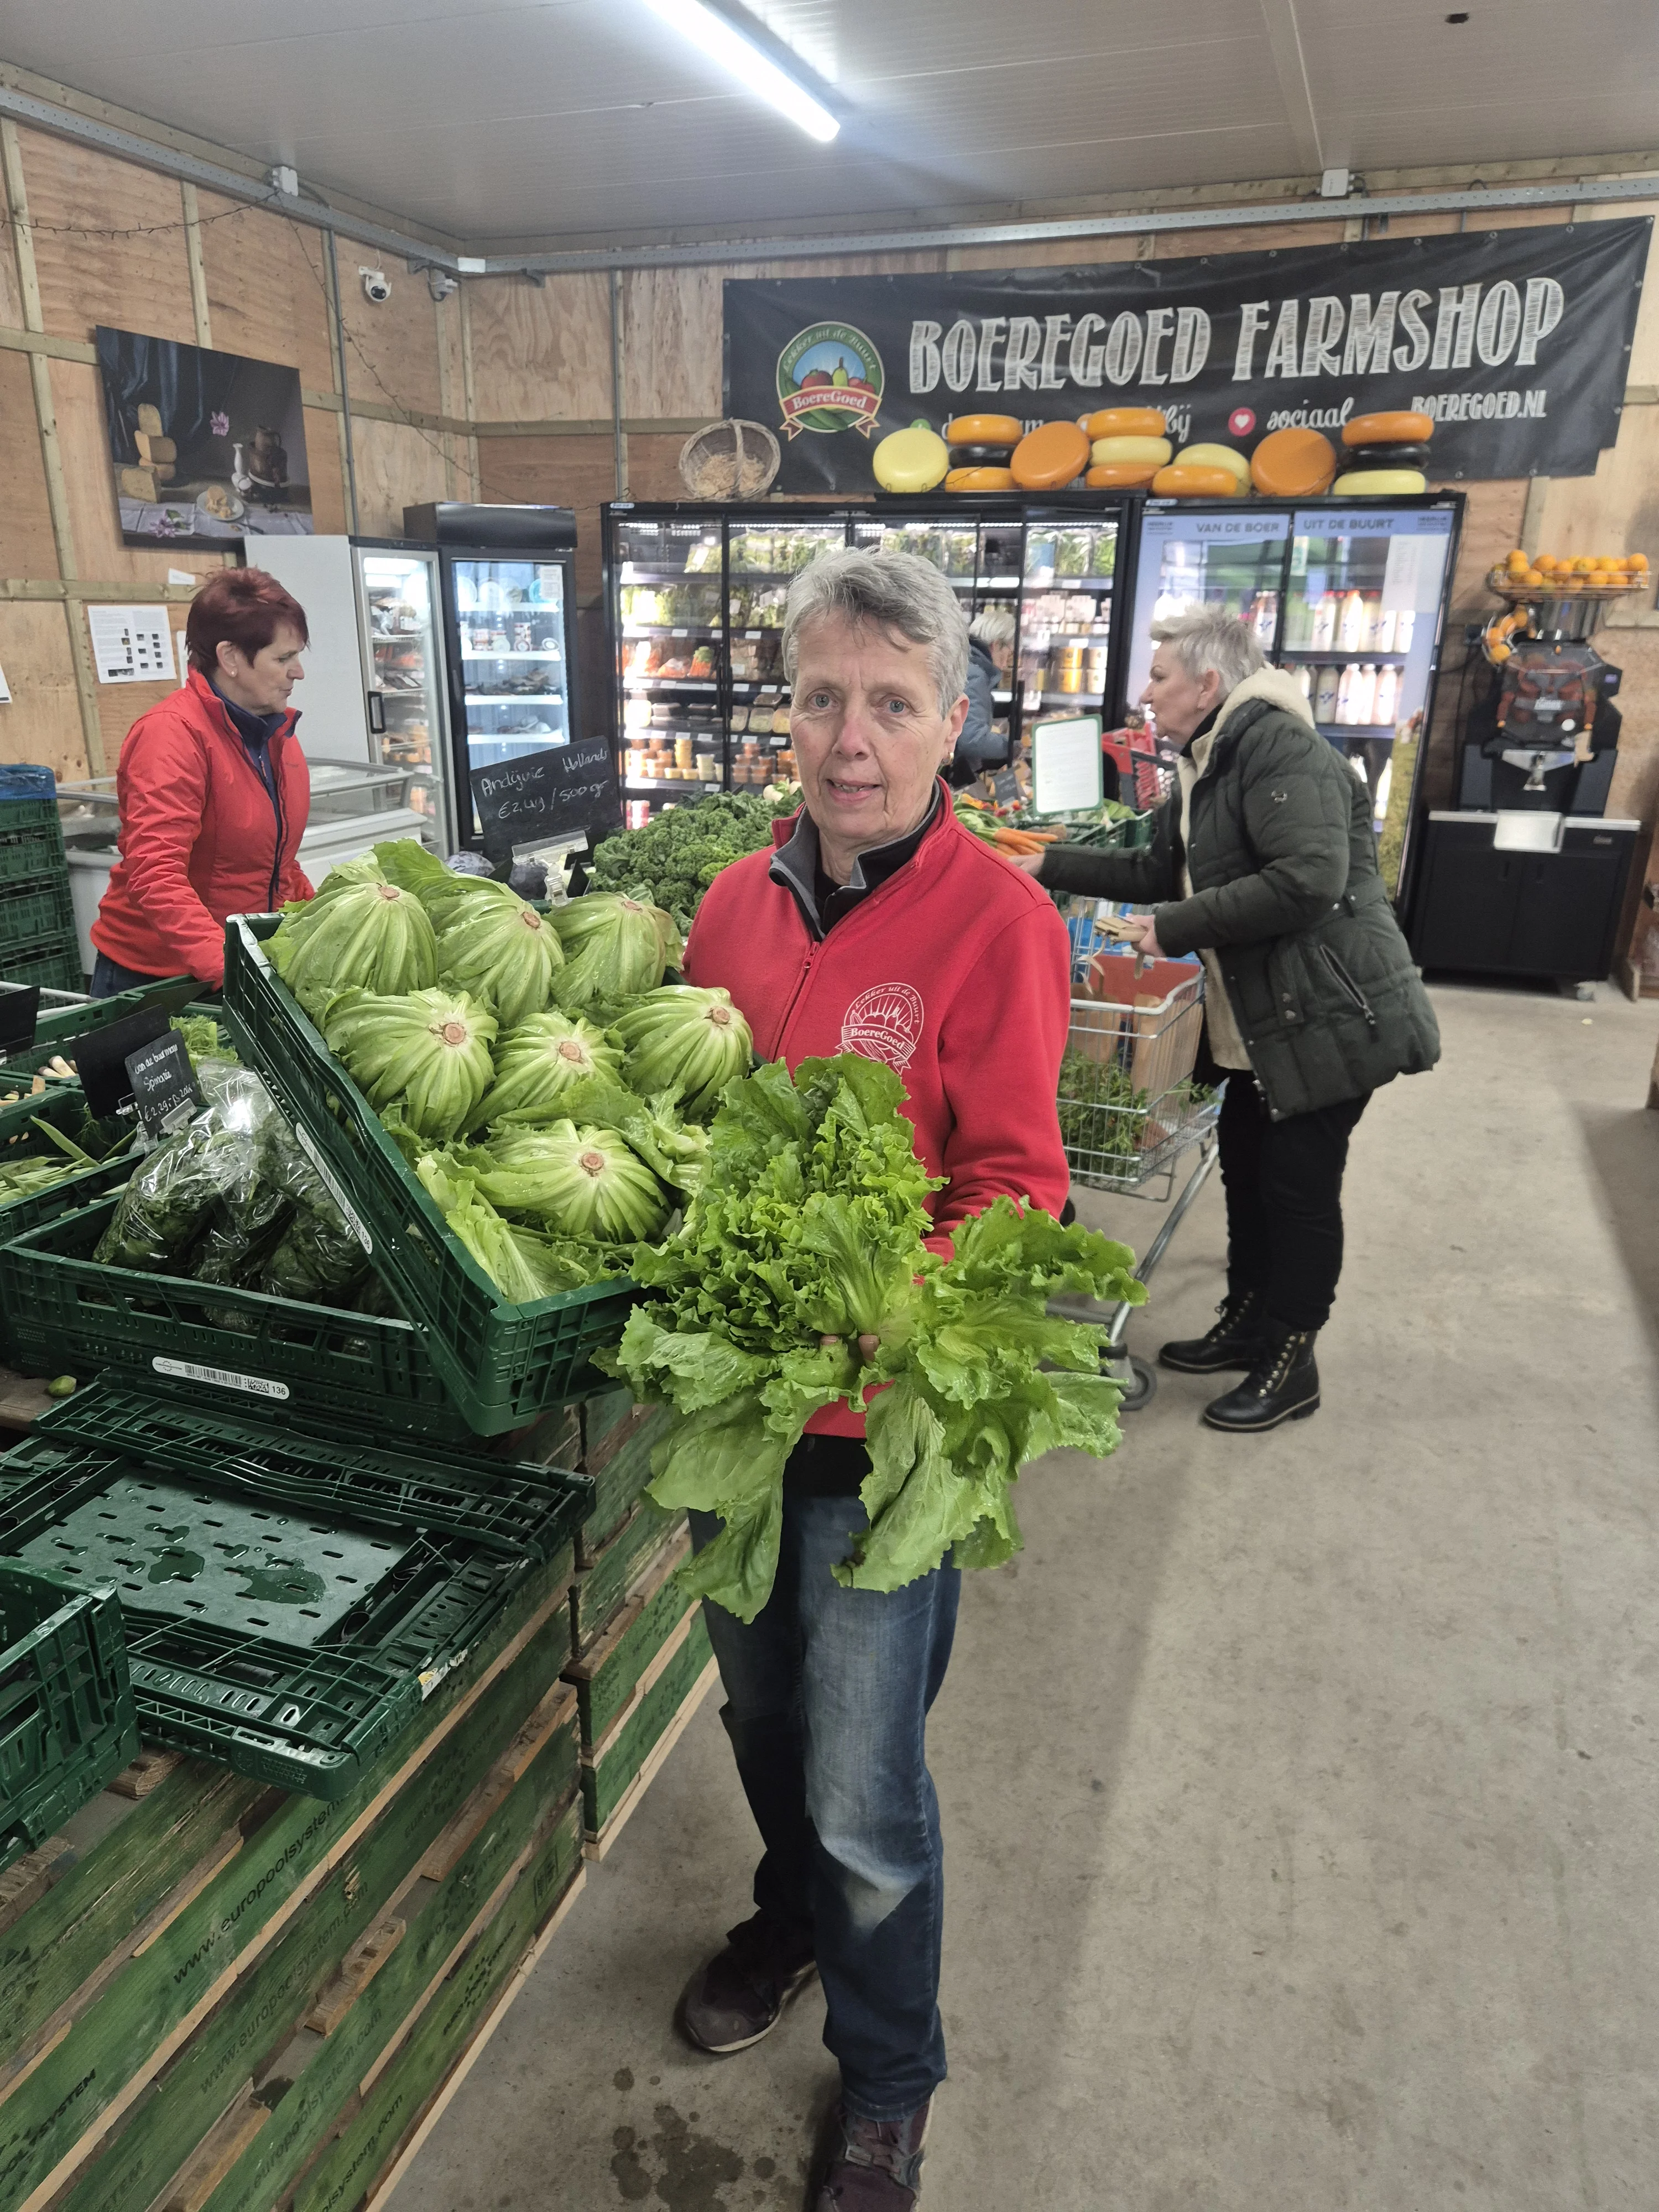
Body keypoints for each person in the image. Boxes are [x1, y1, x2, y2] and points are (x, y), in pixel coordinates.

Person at [680, 549, 1072, 2209]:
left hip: (874, 1439)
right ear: (786, 713)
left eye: (893, 704)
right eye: (823, 697)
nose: (853, 738)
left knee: (863, 1782)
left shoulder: (1001, 922)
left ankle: (891, 2073)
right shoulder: (730, 904)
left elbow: (1018, 1192)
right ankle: (790, 1918)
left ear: (951, 720)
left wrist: (872, 1312)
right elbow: (678, 1126)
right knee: (760, 1715)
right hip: (726, 1415)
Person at [1014, 609, 1439, 1432]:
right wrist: (1046, 862)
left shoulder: (1280, 750)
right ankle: (1249, 1319)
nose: (1147, 693)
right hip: (1263, 1019)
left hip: (1329, 1013)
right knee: (1246, 1169)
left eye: (1160, 676)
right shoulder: (1208, 760)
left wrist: (1173, 928)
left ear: (1208, 684)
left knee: (1298, 1190)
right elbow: (1158, 868)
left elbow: (1308, 879)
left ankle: (1293, 1357)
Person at [90, 568, 312, 994]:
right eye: (283, 659)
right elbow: (156, 873)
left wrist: (328, 924)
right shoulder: (171, 735)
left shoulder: (275, 735)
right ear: (230, 658)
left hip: (245, 964)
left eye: (297, 656)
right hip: (163, 980)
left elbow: (277, 864)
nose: (298, 672)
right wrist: (229, 967)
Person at [943, 609, 1012, 788]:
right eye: (1009, 653)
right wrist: (1011, 746)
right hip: (956, 775)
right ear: (996, 645)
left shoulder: (967, 663)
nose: (1007, 662)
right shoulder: (976, 674)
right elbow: (972, 738)